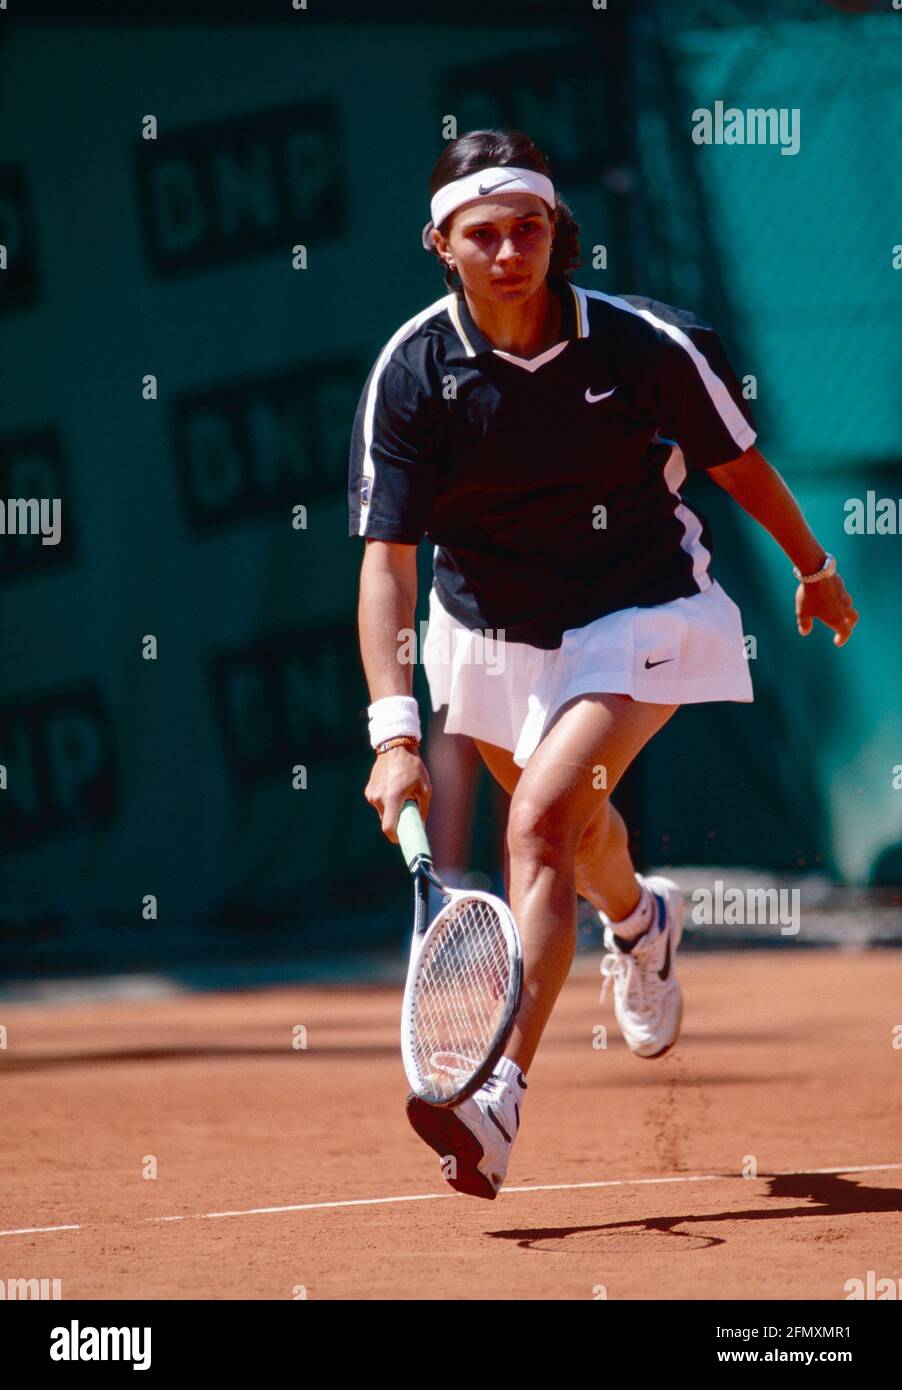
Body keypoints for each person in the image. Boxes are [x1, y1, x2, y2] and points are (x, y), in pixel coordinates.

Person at [348, 127, 858, 1201]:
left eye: (527, 228)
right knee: (575, 833)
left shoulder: (639, 346)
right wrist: (393, 730)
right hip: (484, 625)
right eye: (481, 233)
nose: (507, 250)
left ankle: (492, 1102)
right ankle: (640, 919)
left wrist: (811, 566)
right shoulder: (409, 371)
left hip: (639, 608)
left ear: (554, 234)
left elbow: (737, 464)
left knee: (535, 822)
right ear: (440, 244)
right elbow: (387, 564)